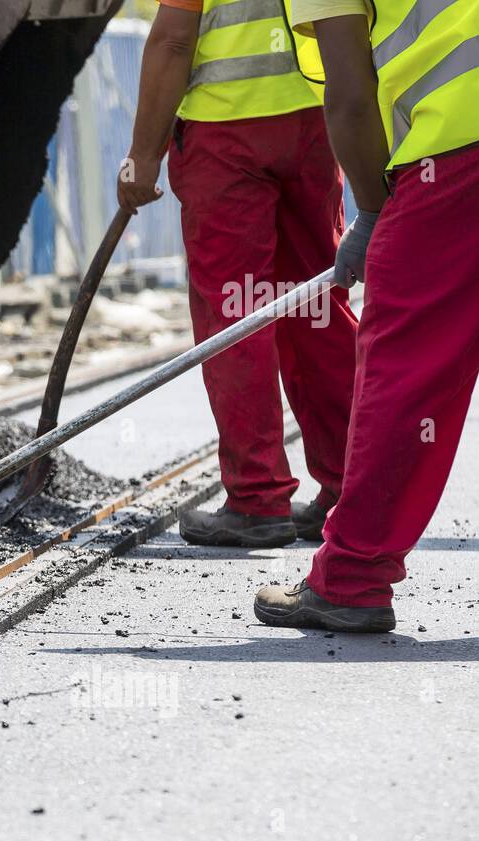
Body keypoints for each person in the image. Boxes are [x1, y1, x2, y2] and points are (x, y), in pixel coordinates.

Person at [254, 0, 479, 632]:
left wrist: (376, 209)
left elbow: (350, 99)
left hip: (458, 150)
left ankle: (351, 578)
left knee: (407, 370)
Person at [118, 0, 358, 548]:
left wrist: (143, 156)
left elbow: (174, 41)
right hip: (317, 126)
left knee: (235, 314)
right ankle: (350, 492)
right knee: (316, 309)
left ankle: (256, 500)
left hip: (225, 134)